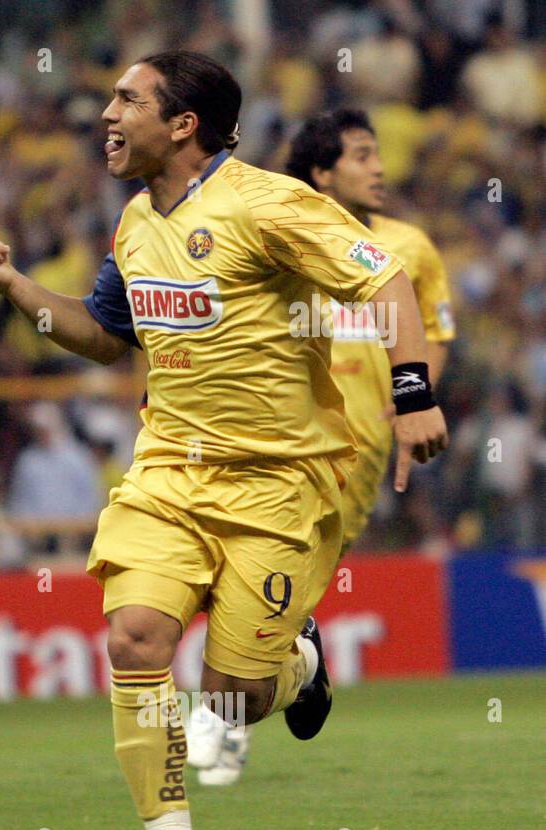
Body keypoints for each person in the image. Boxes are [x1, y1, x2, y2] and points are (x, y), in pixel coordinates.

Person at [0, 51, 447, 830]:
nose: (106, 113)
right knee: (135, 635)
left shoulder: (268, 202)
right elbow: (103, 334)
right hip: (168, 470)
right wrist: (12, 283)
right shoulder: (135, 221)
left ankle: (302, 665)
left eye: (126, 99)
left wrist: (412, 388)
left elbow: (384, 280)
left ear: (181, 125)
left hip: (277, 481)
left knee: (236, 696)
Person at [187, 108, 458, 785]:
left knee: (262, 595)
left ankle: (256, 697)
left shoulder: (410, 248)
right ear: (320, 172)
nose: (380, 166)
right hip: (274, 442)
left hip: (356, 450)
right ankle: (278, 675)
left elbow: (434, 334)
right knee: (230, 579)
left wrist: (411, 405)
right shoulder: (281, 237)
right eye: (362, 155)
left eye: (378, 153)